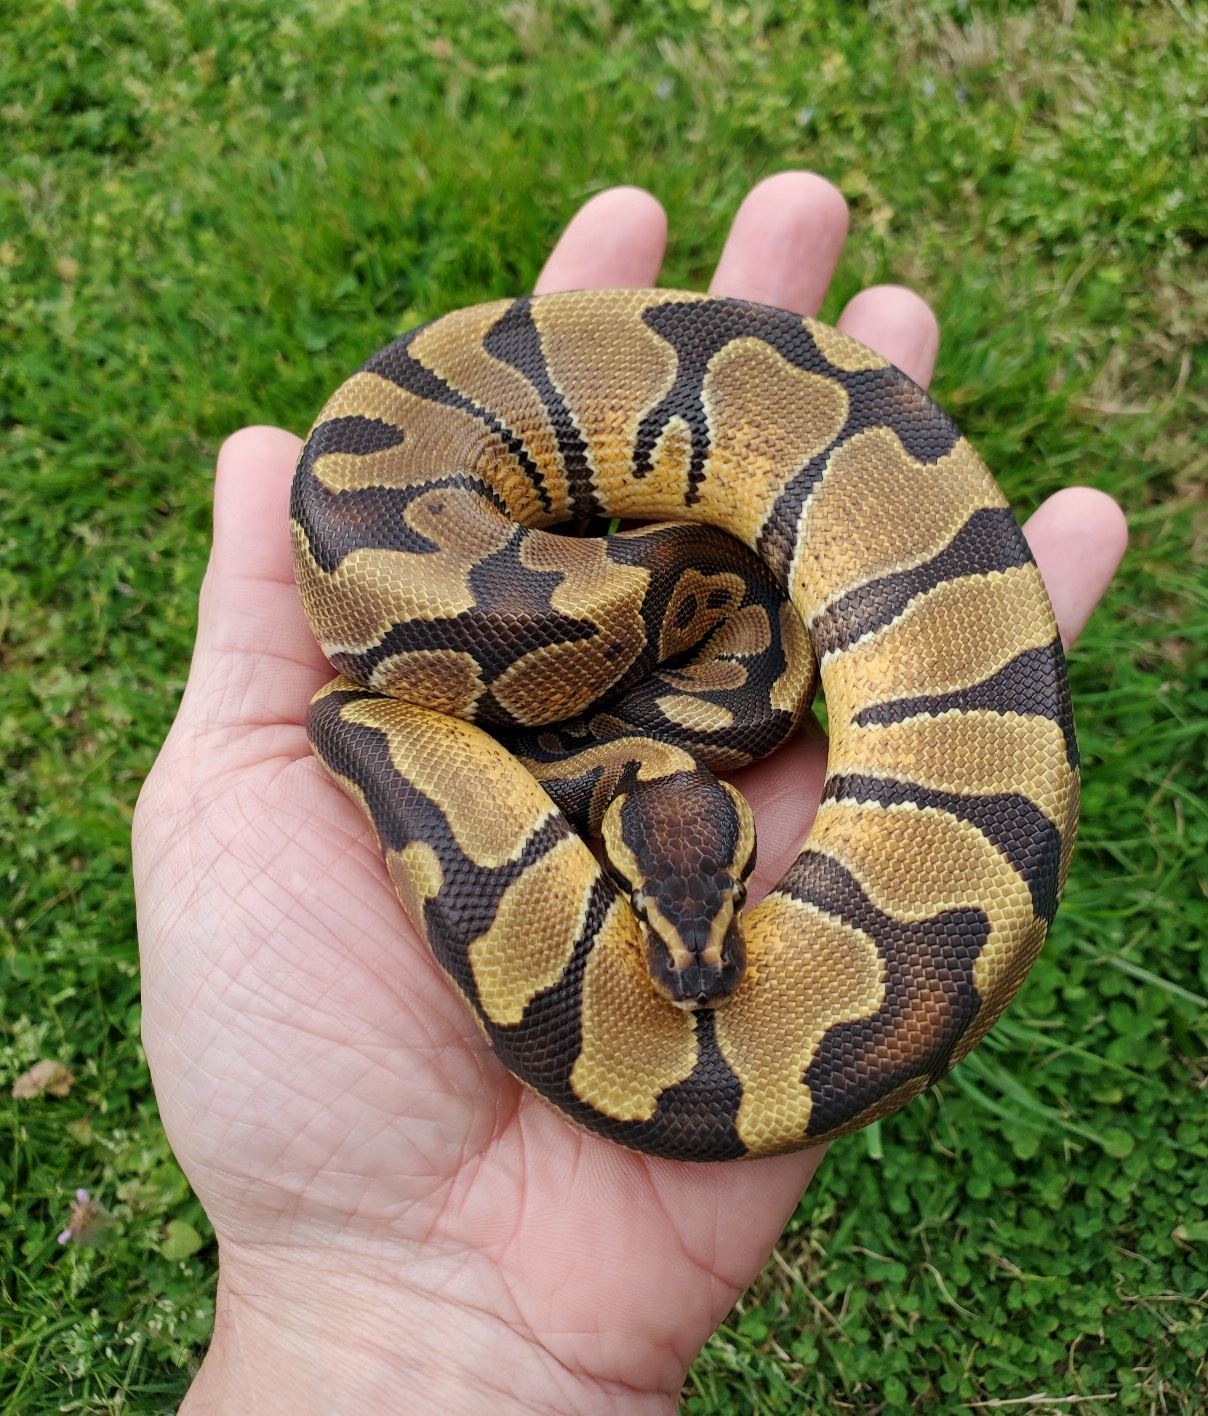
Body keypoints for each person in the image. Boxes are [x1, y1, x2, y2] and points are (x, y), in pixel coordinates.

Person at [133, 173, 1128, 1414]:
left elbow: (364, 714)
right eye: (693, 906)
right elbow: (369, 717)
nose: (693, 963)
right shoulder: (707, 730)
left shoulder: (690, 734)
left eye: (680, 908)